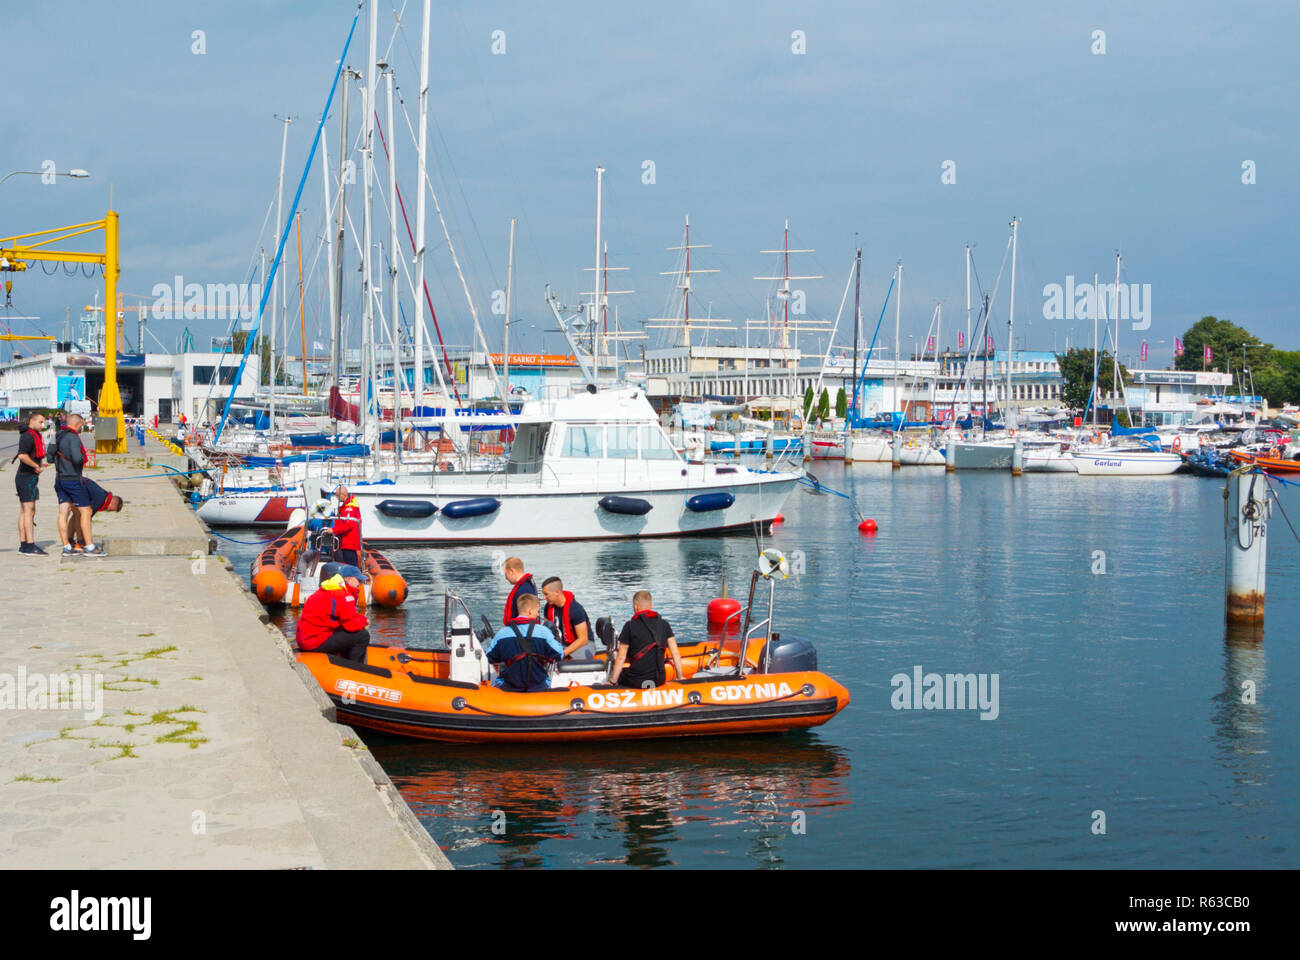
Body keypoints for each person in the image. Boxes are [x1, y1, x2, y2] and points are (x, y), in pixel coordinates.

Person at [484, 593, 563, 692]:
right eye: (537, 611)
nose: (538, 614)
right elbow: (559, 654)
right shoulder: (544, 632)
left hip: (509, 687)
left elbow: (489, 658)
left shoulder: (502, 634)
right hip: (538, 686)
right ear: (530, 611)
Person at [50, 413, 104, 557]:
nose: (81, 428)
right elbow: (77, 458)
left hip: (59, 479)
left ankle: (67, 547)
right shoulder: (73, 437)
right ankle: (90, 547)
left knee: (63, 512)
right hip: (73, 479)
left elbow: (49, 457)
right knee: (85, 511)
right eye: (81, 425)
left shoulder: (56, 435)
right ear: (77, 424)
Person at [609, 590, 684, 689]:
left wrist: (612, 681)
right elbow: (675, 653)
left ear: (635, 607)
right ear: (651, 605)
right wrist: (680, 676)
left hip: (636, 681)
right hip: (659, 680)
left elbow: (621, 657)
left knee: (619, 675)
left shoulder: (629, 626)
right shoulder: (664, 624)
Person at [296, 571, 370, 663]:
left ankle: (342, 660)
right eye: (358, 580)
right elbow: (351, 625)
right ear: (348, 579)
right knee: (362, 635)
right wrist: (364, 621)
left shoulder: (324, 590)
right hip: (315, 642)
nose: (361, 584)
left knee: (345, 631)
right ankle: (356, 669)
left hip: (304, 640)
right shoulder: (343, 594)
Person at [13, 411, 49, 555]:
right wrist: (35, 466)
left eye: (43, 422)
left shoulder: (32, 434)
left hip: (27, 477)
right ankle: (30, 545)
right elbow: (22, 455)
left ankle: (23, 544)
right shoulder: (28, 436)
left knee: (25, 511)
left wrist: (39, 465)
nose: (42, 425)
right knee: (29, 511)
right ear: (32, 421)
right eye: (40, 422)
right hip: (25, 478)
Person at [541, 576, 593, 659]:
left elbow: (583, 639)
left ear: (557, 592)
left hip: (584, 644)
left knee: (571, 662)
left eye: (546, 594)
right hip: (562, 644)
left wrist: (563, 653)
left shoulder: (575, 609)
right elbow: (546, 632)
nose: (543, 598)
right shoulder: (548, 607)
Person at [66, 478, 125, 550]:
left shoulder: (102, 495)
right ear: (112, 503)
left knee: (76, 513)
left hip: (71, 483)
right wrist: (82, 538)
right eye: (110, 510)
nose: (107, 511)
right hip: (75, 486)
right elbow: (85, 520)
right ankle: (80, 542)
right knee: (80, 515)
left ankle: (70, 540)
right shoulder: (100, 499)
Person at [331, 484, 362, 568]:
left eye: (337, 496)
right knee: (348, 562)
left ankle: (353, 578)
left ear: (343, 495)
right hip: (347, 541)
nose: (337, 498)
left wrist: (333, 530)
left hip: (349, 542)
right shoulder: (347, 507)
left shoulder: (349, 508)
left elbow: (348, 525)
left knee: (350, 565)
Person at [502, 556, 537, 623]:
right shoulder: (527, 586)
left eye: (505, 574)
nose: (505, 577)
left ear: (511, 571)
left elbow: (527, 616)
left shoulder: (523, 590)